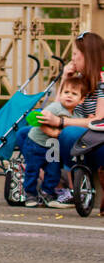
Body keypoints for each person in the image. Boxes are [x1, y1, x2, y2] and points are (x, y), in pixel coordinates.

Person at [35, 32, 104, 199]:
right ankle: (55, 185)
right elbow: (57, 108)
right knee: (26, 133)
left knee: (68, 133)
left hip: (98, 142)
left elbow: (100, 121)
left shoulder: (102, 80)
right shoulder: (79, 80)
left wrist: (61, 122)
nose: (72, 59)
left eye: (75, 54)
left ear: (87, 55)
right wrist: (65, 78)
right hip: (84, 137)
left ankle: (73, 184)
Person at [20, 72, 86, 207]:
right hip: (36, 144)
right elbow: (39, 120)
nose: (69, 95)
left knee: (53, 170)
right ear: (60, 94)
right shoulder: (55, 107)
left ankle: (48, 193)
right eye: (66, 92)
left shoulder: (77, 116)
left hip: (52, 147)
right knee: (33, 169)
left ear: (81, 100)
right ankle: (30, 194)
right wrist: (53, 132)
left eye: (74, 94)